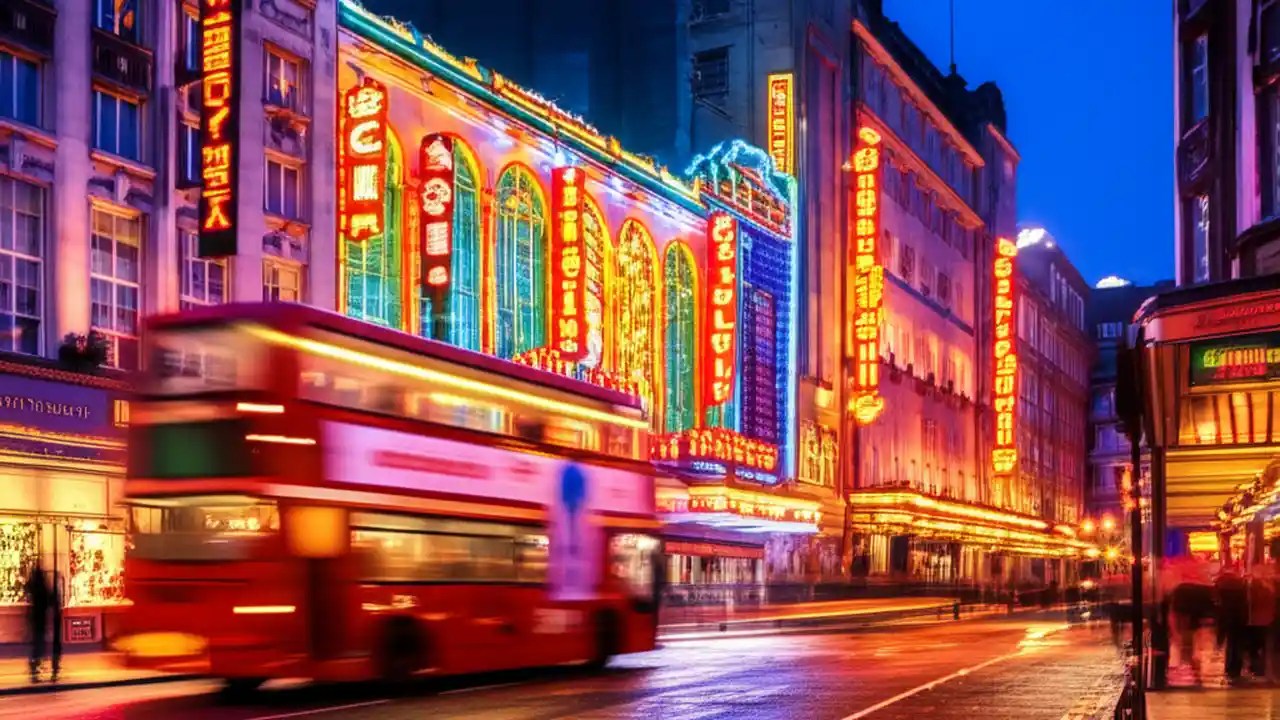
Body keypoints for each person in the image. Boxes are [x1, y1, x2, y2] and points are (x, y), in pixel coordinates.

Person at [23, 563, 49, 683]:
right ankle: (36, 668)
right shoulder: (42, 586)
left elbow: (27, 587)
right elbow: (49, 599)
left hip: (35, 617)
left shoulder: (34, 585)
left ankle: (34, 668)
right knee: (39, 644)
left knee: (37, 644)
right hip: (40, 618)